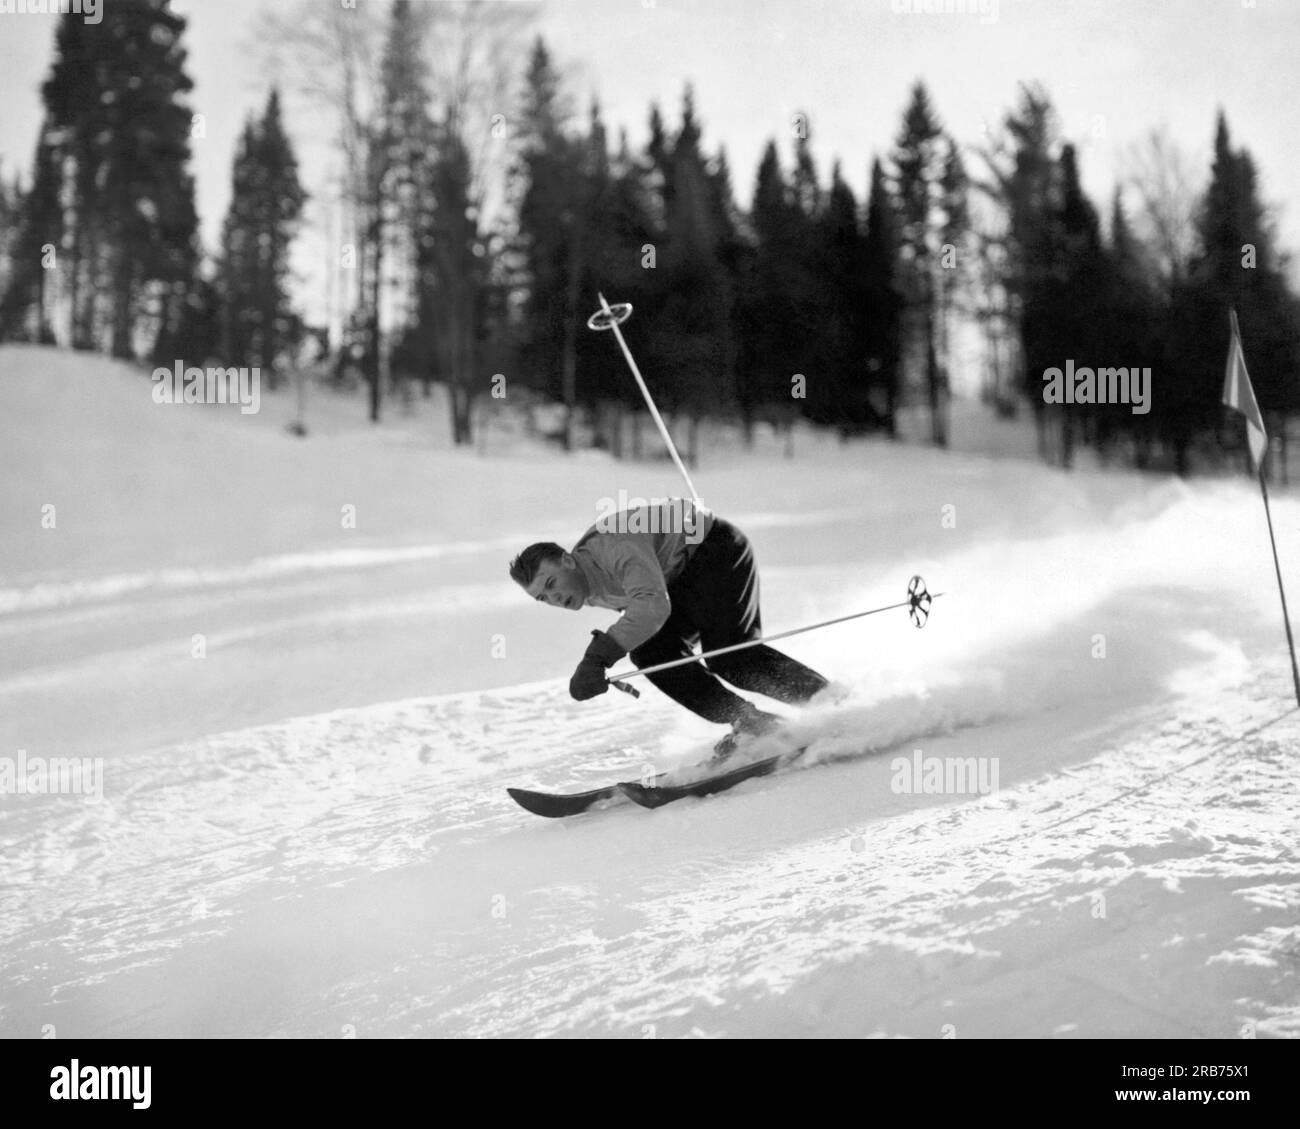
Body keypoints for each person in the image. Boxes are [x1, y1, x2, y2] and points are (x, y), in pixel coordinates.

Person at [509, 498, 829, 758]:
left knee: (729, 657)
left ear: (567, 560)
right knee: (650, 652)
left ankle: (831, 703)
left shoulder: (612, 545)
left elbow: (652, 606)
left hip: (712, 549)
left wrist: (598, 657)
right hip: (677, 581)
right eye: (543, 598)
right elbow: (647, 615)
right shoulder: (584, 588)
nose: (554, 598)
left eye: (551, 584)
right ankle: (751, 722)